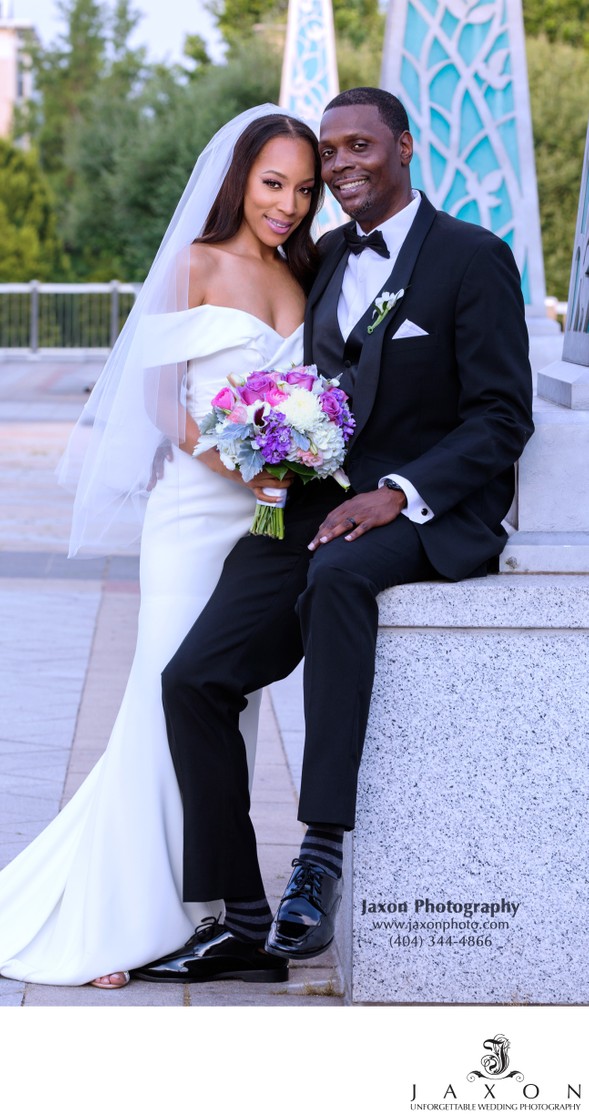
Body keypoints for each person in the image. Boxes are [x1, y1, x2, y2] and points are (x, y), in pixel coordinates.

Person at [134, 86, 534, 984]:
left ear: (402, 147)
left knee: (343, 580)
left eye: (360, 147)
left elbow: (503, 415)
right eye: (330, 154)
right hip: (311, 505)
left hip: (422, 516)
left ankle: (318, 853)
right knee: (192, 676)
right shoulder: (320, 260)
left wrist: (399, 492)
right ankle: (240, 918)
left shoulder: (473, 258)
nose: (343, 165)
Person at [0, 105, 323, 988]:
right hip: (194, 516)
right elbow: (157, 402)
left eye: (302, 188)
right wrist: (247, 462)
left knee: (234, 714)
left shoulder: (306, 271)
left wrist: (291, 464)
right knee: (161, 700)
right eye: (272, 184)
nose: (287, 205)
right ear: (237, 180)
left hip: (263, 527)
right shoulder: (195, 265)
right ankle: (122, 913)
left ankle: (207, 910)